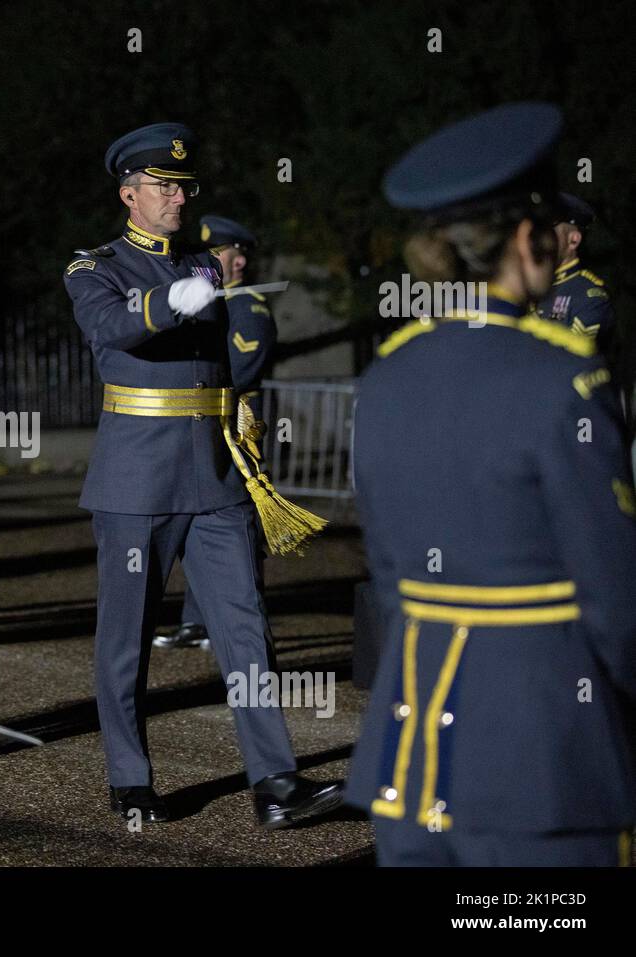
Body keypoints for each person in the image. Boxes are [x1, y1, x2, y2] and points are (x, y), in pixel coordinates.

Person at [347, 102, 636, 865]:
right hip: (539, 760)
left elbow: (388, 573)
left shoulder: (388, 376)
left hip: (410, 757)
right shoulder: (562, 379)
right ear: (523, 235)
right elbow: (615, 601)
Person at [63, 123, 338, 828]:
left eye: (184, 186)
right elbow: (112, 328)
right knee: (125, 639)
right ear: (128, 193)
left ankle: (275, 782)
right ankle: (130, 779)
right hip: (136, 481)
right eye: (162, 186)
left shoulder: (203, 266)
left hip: (214, 475)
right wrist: (171, 301)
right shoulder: (95, 267)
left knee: (245, 628)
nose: (178, 197)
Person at [156, 215, 274, 653]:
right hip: (213, 417)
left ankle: (243, 624)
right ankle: (197, 619)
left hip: (240, 420)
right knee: (202, 518)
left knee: (241, 520)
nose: (213, 263)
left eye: (220, 255)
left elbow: (243, 365)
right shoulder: (213, 299)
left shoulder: (248, 304)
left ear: (238, 260)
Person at [530, 192, 616, 352]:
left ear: (573, 240)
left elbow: (567, 362)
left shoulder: (588, 298)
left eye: (549, 228)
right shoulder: (528, 286)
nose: (539, 236)